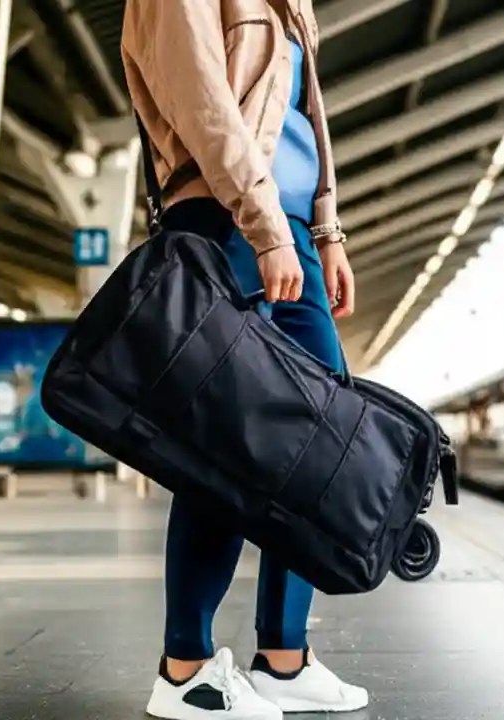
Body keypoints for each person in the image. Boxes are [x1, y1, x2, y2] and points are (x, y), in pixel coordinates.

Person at [121, 1, 365, 718]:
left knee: (323, 446)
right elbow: (203, 105)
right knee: (228, 448)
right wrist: (264, 227)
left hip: (284, 230)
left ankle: (284, 659)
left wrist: (325, 232)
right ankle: (185, 669)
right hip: (226, 221)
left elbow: (303, 120)